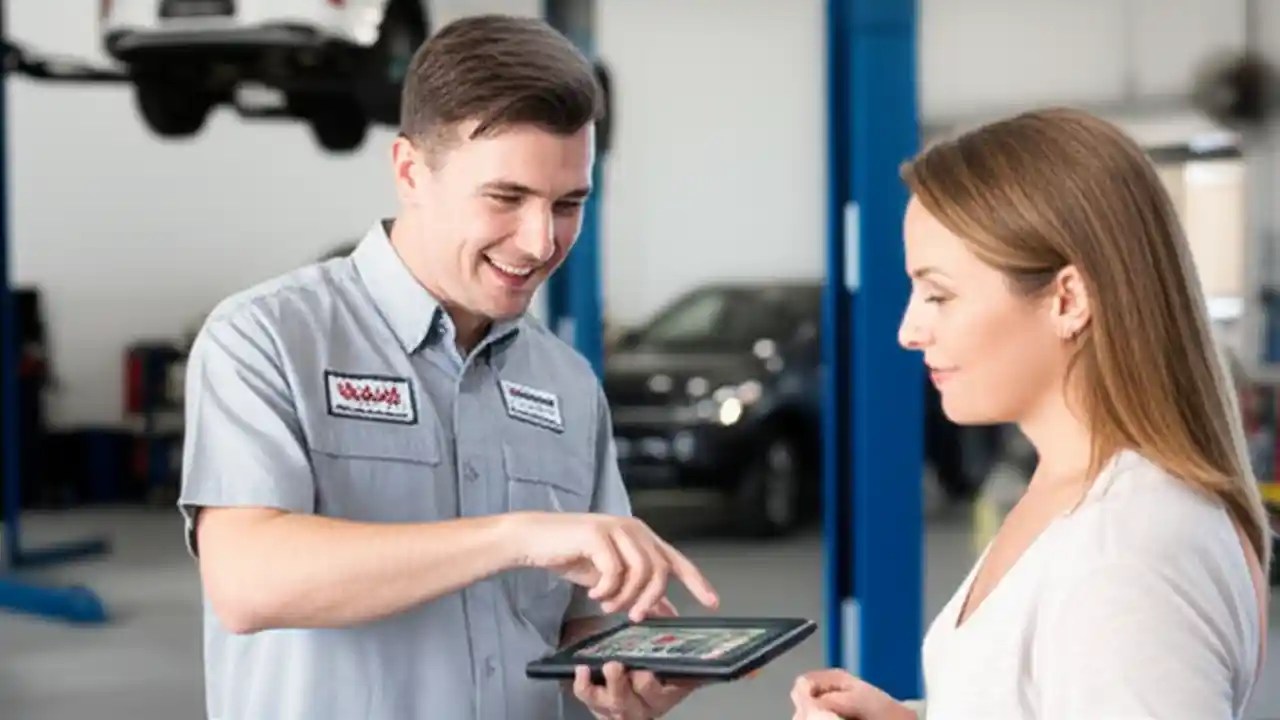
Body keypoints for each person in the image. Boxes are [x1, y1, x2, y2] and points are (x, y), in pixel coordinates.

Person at [178, 14, 719, 720]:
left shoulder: (567, 385)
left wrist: (627, 669)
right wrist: (515, 537)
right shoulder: (267, 340)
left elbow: (580, 619)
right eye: (506, 198)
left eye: (569, 204)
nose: (540, 240)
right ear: (410, 171)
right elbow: (247, 582)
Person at [791, 107, 1272, 719]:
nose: (909, 331)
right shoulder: (1077, 491)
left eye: (939, 294)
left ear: (1068, 299)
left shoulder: (1129, 552)